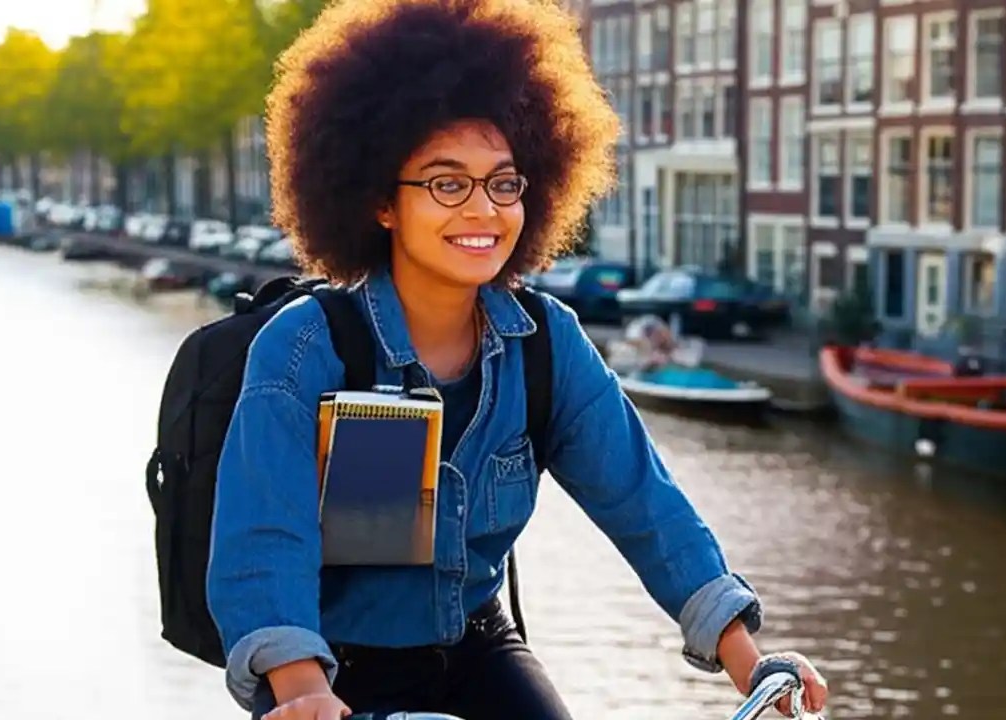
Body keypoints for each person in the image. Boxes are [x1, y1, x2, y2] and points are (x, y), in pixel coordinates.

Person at [205, 1, 829, 719]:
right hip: (331, 672)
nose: (483, 209)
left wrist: (748, 659)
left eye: (503, 183)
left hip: (477, 647)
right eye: (447, 183)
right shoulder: (308, 349)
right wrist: (303, 690)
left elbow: (643, 502)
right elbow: (263, 539)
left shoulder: (545, 341)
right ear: (380, 199)